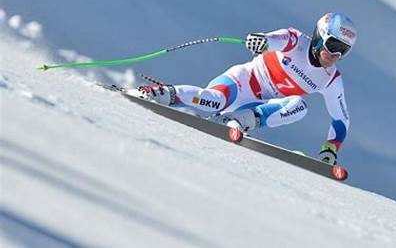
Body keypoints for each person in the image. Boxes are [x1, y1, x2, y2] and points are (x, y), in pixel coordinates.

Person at [130, 12, 357, 165]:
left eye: (343, 51)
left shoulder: (331, 79)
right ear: (319, 37)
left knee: (299, 106)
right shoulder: (296, 41)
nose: (336, 55)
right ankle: (160, 94)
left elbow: (340, 119)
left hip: (256, 106)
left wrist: (330, 148)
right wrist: (262, 41)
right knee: (214, 100)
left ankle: (236, 121)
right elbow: (274, 39)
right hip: (242, 82)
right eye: (333, 45)